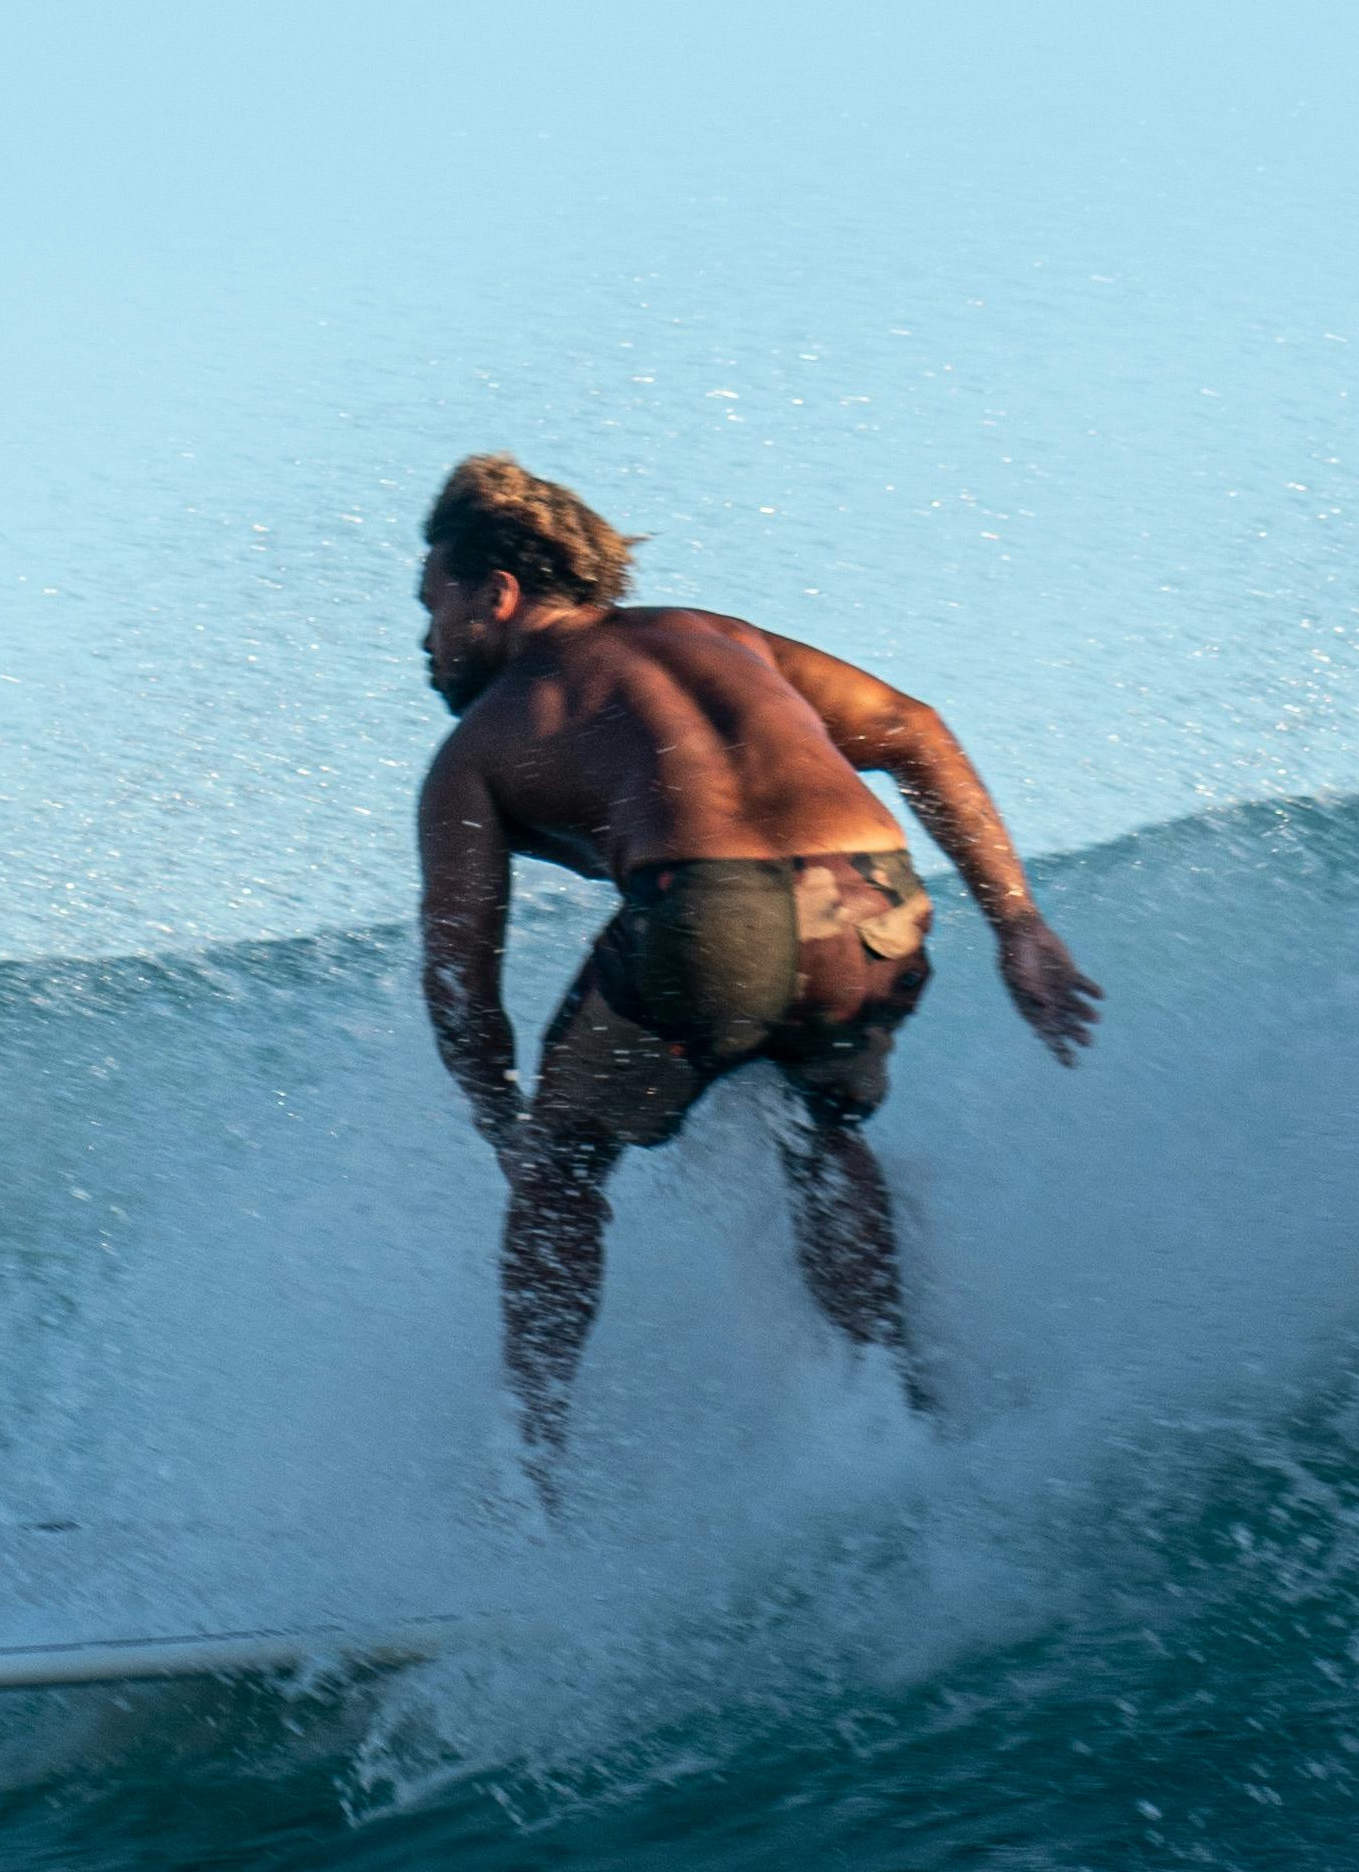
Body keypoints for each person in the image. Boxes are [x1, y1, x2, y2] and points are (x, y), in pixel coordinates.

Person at [413, 452, 1102, 1482]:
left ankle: (529, 1478)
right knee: (822, 1131)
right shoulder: (720, 637)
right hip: (871, 904)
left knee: (561, 1167)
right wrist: (1018, 922)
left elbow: (460, 963)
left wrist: (497, 1117)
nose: (426, 639)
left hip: (709, 912)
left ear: (498, 595)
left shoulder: (480, 742)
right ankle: (902, 1413)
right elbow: (914, 728)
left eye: (434, 606)